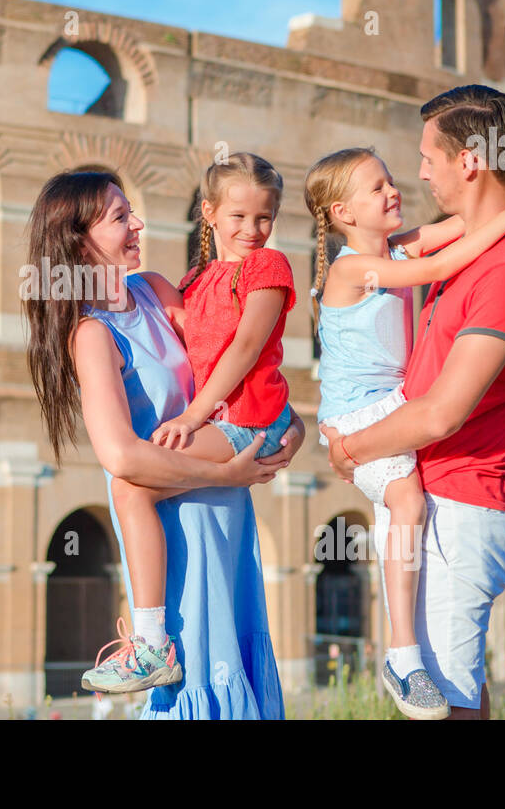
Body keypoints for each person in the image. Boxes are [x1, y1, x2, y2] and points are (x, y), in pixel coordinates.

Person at [321, 85, 505, 720]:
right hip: (442, 490)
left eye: (429, 155)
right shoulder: (467, 251)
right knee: (458, 691)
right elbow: (452, 243)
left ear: (471, 162)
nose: (419, 171)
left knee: (446, 704)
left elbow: (440, 414)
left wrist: (349, 449)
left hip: (459, 501)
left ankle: (402, 655)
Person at [23, 168, 299, 719]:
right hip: (173, 518)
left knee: (233, 653)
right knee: (196, 661)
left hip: (224, 504)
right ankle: (149, 646)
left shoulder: (153, 290)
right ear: (80, 240)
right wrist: (227, 474)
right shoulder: (92, 334)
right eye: (120, 218)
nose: (138, 224)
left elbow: (239, 357)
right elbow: (121, 457)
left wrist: (288, 424)